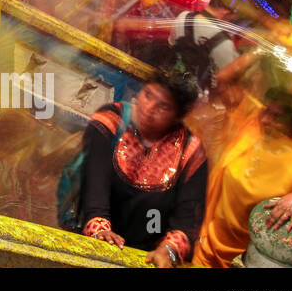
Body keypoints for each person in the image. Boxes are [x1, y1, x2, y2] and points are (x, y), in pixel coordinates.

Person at [192, 60, 292, 267]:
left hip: (244, 261)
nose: (265, 120)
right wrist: (262, 49)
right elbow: (223, 80)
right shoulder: (253, 123)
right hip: (205, 249)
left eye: (277, 117)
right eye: (267, 111)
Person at [78, 70, 207, 267]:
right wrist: (100, 230)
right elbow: (94, 189)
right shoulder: (111, 120)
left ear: (177, 117)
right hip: (97, 236)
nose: (148, 108)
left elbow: (186, 218)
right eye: (147, 95)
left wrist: (168, 250)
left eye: (163, 106)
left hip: (147, 255)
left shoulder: (191, 151)